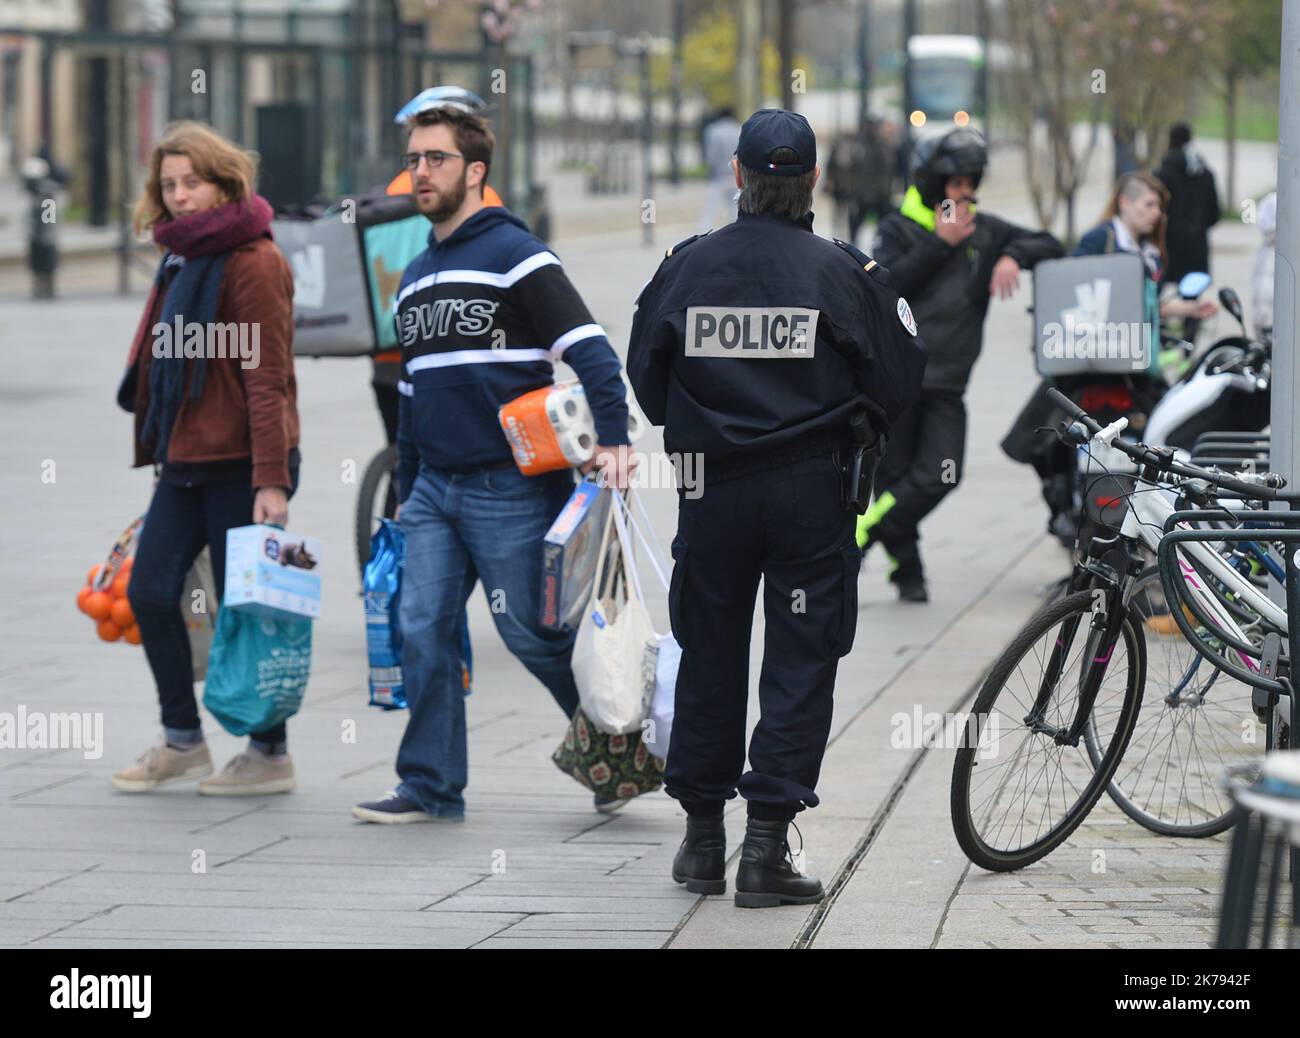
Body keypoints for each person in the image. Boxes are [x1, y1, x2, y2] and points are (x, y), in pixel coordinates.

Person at [627, 109, 927, 908]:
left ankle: (700, 841)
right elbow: (898, 384)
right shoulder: (845, 274)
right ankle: (764, 850)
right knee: (800, 660)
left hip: (710, 487)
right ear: (814, 183)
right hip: (807, 491)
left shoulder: (685, 268)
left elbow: (648, 387)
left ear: (737, 176)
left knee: (711, 651)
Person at [352, 105, 633, 825]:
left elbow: (593, 351)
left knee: (533, 635)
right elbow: (411, 400)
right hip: (433, 492)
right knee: (421, 627)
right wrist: (407, 496)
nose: (420, 171)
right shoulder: (412, 277)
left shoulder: (519, 255)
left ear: (475, 171)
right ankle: (430, 785)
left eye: (436, 158)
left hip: (510, 486)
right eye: (414, 158)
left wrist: (616, 440)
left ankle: (623, 751)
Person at [112, 121, 301, 795]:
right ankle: (183, 739)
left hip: (243, 464)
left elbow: (266, 377)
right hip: (187, 458)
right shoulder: (180, 259)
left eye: (192, 182)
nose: (180, 196)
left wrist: (271, 481)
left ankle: (270, 753)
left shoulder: (253, 262)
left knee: (245, 611)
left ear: (225, 182)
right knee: (149, 592)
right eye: (169, 185)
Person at [857, 127, 1063, 603]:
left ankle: (862, 531)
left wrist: (1012, 255)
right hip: (898, 380)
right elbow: (883, 287)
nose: (965, 192)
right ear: (933, 182)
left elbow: (1049, 243)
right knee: (894, 475)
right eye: (955, 183)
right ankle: (908, 573)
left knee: (941, 473)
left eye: (972, 182)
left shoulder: (984, 230)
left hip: (949, 384)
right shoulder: (896, 228)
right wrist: (940, 243)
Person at [1002, 172, 1218, 544]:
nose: (1156, 215)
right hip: (1095, 365)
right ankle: (1066, 512)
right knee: (1049, 441)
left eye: (1159, 208)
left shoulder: (1144, 252)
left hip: (1135, 367)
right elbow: (1074, 293)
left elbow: (1140, 308)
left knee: (1162, 440)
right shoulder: (1099, 241)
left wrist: (1186, 309)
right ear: (1125, 203)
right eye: (1149, 205)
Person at [1156, 122, 1220, 341]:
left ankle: (1158, 342)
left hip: (1166, 249)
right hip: (1196, 250)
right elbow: (1214, 215)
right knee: (1192, 302)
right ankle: (1186, 349)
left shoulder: (1162, 175)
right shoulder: (1205, 173)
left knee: (1155, 297)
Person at [697, 107, 742, 231]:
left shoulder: (712, 131)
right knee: (735, 208)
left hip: (719, 175)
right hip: (736, 175)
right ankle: (735, 232)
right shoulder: (739, 129)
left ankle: (702, 233)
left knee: (710, 209)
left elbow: (711, 156)